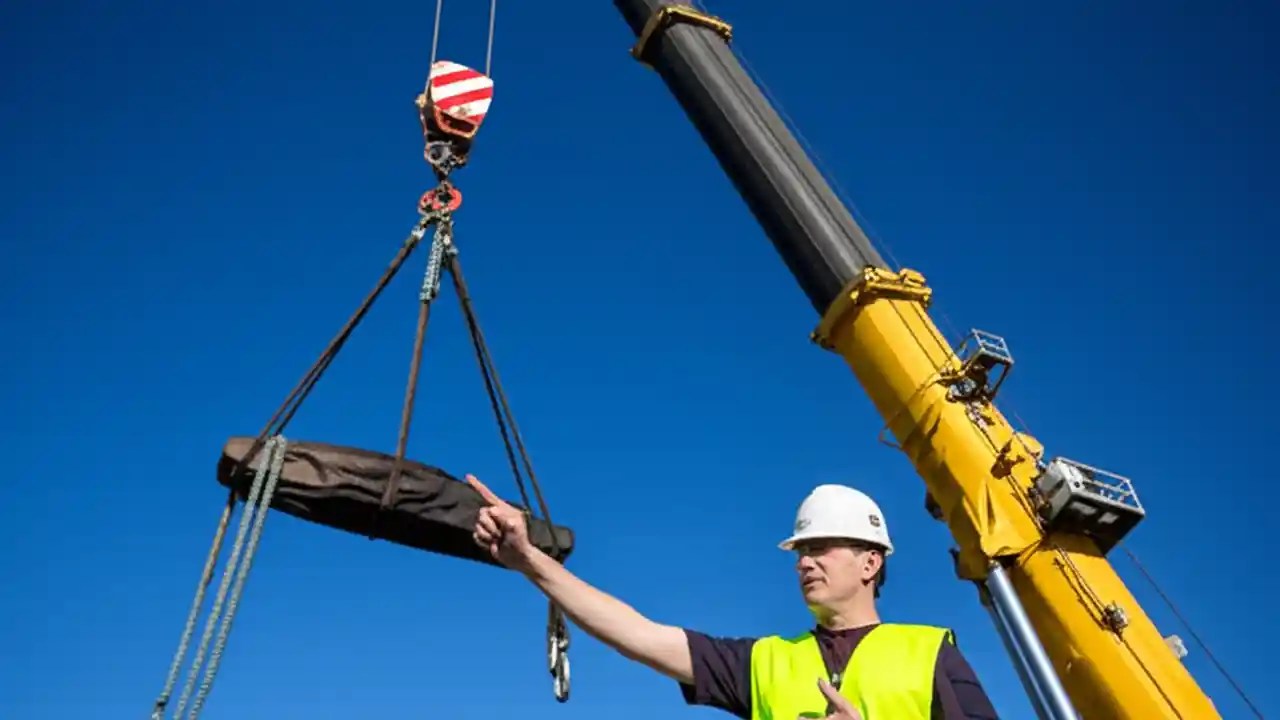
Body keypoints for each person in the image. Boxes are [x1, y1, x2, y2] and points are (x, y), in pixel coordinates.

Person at [468, 476, 999, 720]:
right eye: (800, 551)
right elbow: (639, 635)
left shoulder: (929, 654)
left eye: (821, 548)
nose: (804, 561)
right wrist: (529, 562)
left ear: (871, 561)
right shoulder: (764, 662)